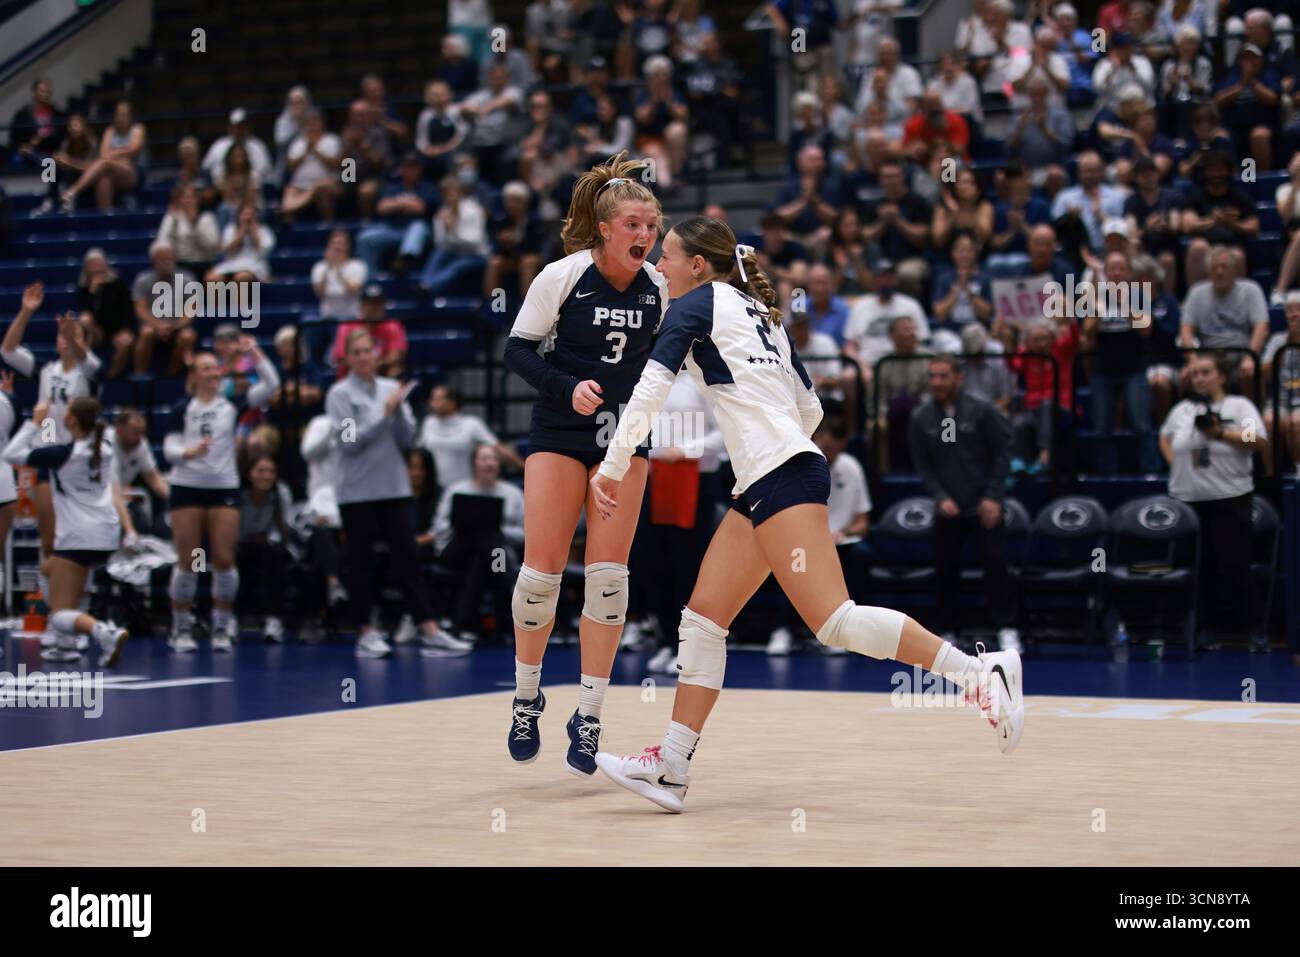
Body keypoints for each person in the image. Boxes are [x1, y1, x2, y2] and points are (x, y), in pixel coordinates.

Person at [588, 217, 1022, 813]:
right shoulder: (759, 315)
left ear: (696, 265)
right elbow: (811, 409)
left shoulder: (697, 306)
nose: (660, 267)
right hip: (773, 475)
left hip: (776, 475)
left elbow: (647, 393)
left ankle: (980, 675)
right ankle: (670, 766)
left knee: (834, 622)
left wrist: (611, 467)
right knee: (702, 621)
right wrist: (767, 439)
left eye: (668, 257)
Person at [501, 151, 668, 776]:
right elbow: (517, 350)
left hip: (623, 441)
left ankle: (590, 712)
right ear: (604, 228)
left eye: (650, 227)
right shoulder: (563, 275)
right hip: (560, 430)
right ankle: (526, 696)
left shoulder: (659, 288)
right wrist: (564, 385)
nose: (645, 237)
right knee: (541, 575)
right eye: (632, 225)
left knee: (607, 577)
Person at [325, 329, 467, 657]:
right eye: (356, 352)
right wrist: (384, 414)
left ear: (376, 355)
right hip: (357, 491)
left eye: (367, 351)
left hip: (395, 488)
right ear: (347, 358)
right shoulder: (339, 394)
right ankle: (366, 631)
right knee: (362, 563)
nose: (363, 357)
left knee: (408, 558)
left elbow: (406, 439)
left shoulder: (390, 388)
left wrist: (400, 414)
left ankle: (429, 628)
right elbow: (348, 442)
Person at [163, 337, 280, 653]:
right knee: (189, 559)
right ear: (195, 374)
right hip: (187, 487)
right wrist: (189, 452)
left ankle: (221, 624)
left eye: (216, 367)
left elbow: (271, 384)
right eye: (206, 368)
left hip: (223, 488)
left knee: (224, 558)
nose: (214, 372)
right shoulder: (182, 408)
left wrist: (254, 352)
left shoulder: (232, 406)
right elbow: (169, 449)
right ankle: (181, 625)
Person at [3, 396, 132, 667]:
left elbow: (11, 454)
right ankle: (65, 645)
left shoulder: (63, 454)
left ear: (70, 419)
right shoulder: (105, 445)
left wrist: (35, 423)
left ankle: (102, 632)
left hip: (77, 537)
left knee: (60, 613)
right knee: (49, 569)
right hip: (106, 535)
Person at [908, 355, 1020, 653]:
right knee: (944, 570)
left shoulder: (982, 410)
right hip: (948, 505)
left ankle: (1007, 628)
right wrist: (939, 496)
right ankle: (948, 631)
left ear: (959, 377)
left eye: (943, 376)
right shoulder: (921, 417)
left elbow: (1004, 449)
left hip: (983, 504)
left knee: (995, 566)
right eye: (932, 376)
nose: (937, 382)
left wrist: (994, 496)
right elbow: (922, 464)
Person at [1159, 352, 1269, 651]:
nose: (1200, 378)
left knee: (1234, 565)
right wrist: (1175, 465)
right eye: (1195, 373)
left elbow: (1256, 441)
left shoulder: (1239, 406)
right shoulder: (1182, 409)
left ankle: (1252, 628)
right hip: (1188, 499)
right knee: (1199, 566)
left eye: (1206, 372)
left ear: (1221, 375)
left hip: (1229, 496)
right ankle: (1203, 628)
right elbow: (1165, 437)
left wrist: (1219, 432)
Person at [2, 283, 102, 581]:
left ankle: (79, 602)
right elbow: (7, 351)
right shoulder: (46, 369)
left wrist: (75, 337)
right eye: (61, 334)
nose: (64, 339)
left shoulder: (87, 371)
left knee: (78, 539)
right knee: (49, 539)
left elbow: (90, 362)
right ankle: (50, 611)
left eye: (70, 335)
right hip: (48, 455)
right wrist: (26, 312)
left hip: (78, 459)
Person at [431, 444, 526, 643]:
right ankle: (506, 616)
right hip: (457, 551)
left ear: (499, 464)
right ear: (474, 463)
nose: (489, 463)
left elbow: (525, 533)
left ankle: (463, 627)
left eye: (493, 459)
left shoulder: (512, 494)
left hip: (491, 556)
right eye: (483, 459)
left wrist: (499, 529)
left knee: (481, 558)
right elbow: (438, 527)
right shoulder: (456, 490)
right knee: (483, 536)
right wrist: (461, 525)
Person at [237, 456, 296, 642]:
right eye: (261, 471)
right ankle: (233, 618)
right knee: (235, 557)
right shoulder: (239, 496)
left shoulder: (281, 493)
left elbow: (284, 527)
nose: (266, 476)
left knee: (273, 556)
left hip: (270, 547)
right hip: (242, 545)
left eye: (271, 472)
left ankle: (273, 619)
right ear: (250, 474)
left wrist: (268, 540)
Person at [417, 383, 521, 488]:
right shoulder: (428, 422)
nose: (432, 403)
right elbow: (419, 453)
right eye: (432, 399)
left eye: (438, 399)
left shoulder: (471, 424)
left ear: (452, 402)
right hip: (433, 489)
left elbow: (498, 448)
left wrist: (523, 466)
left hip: (463, 487)